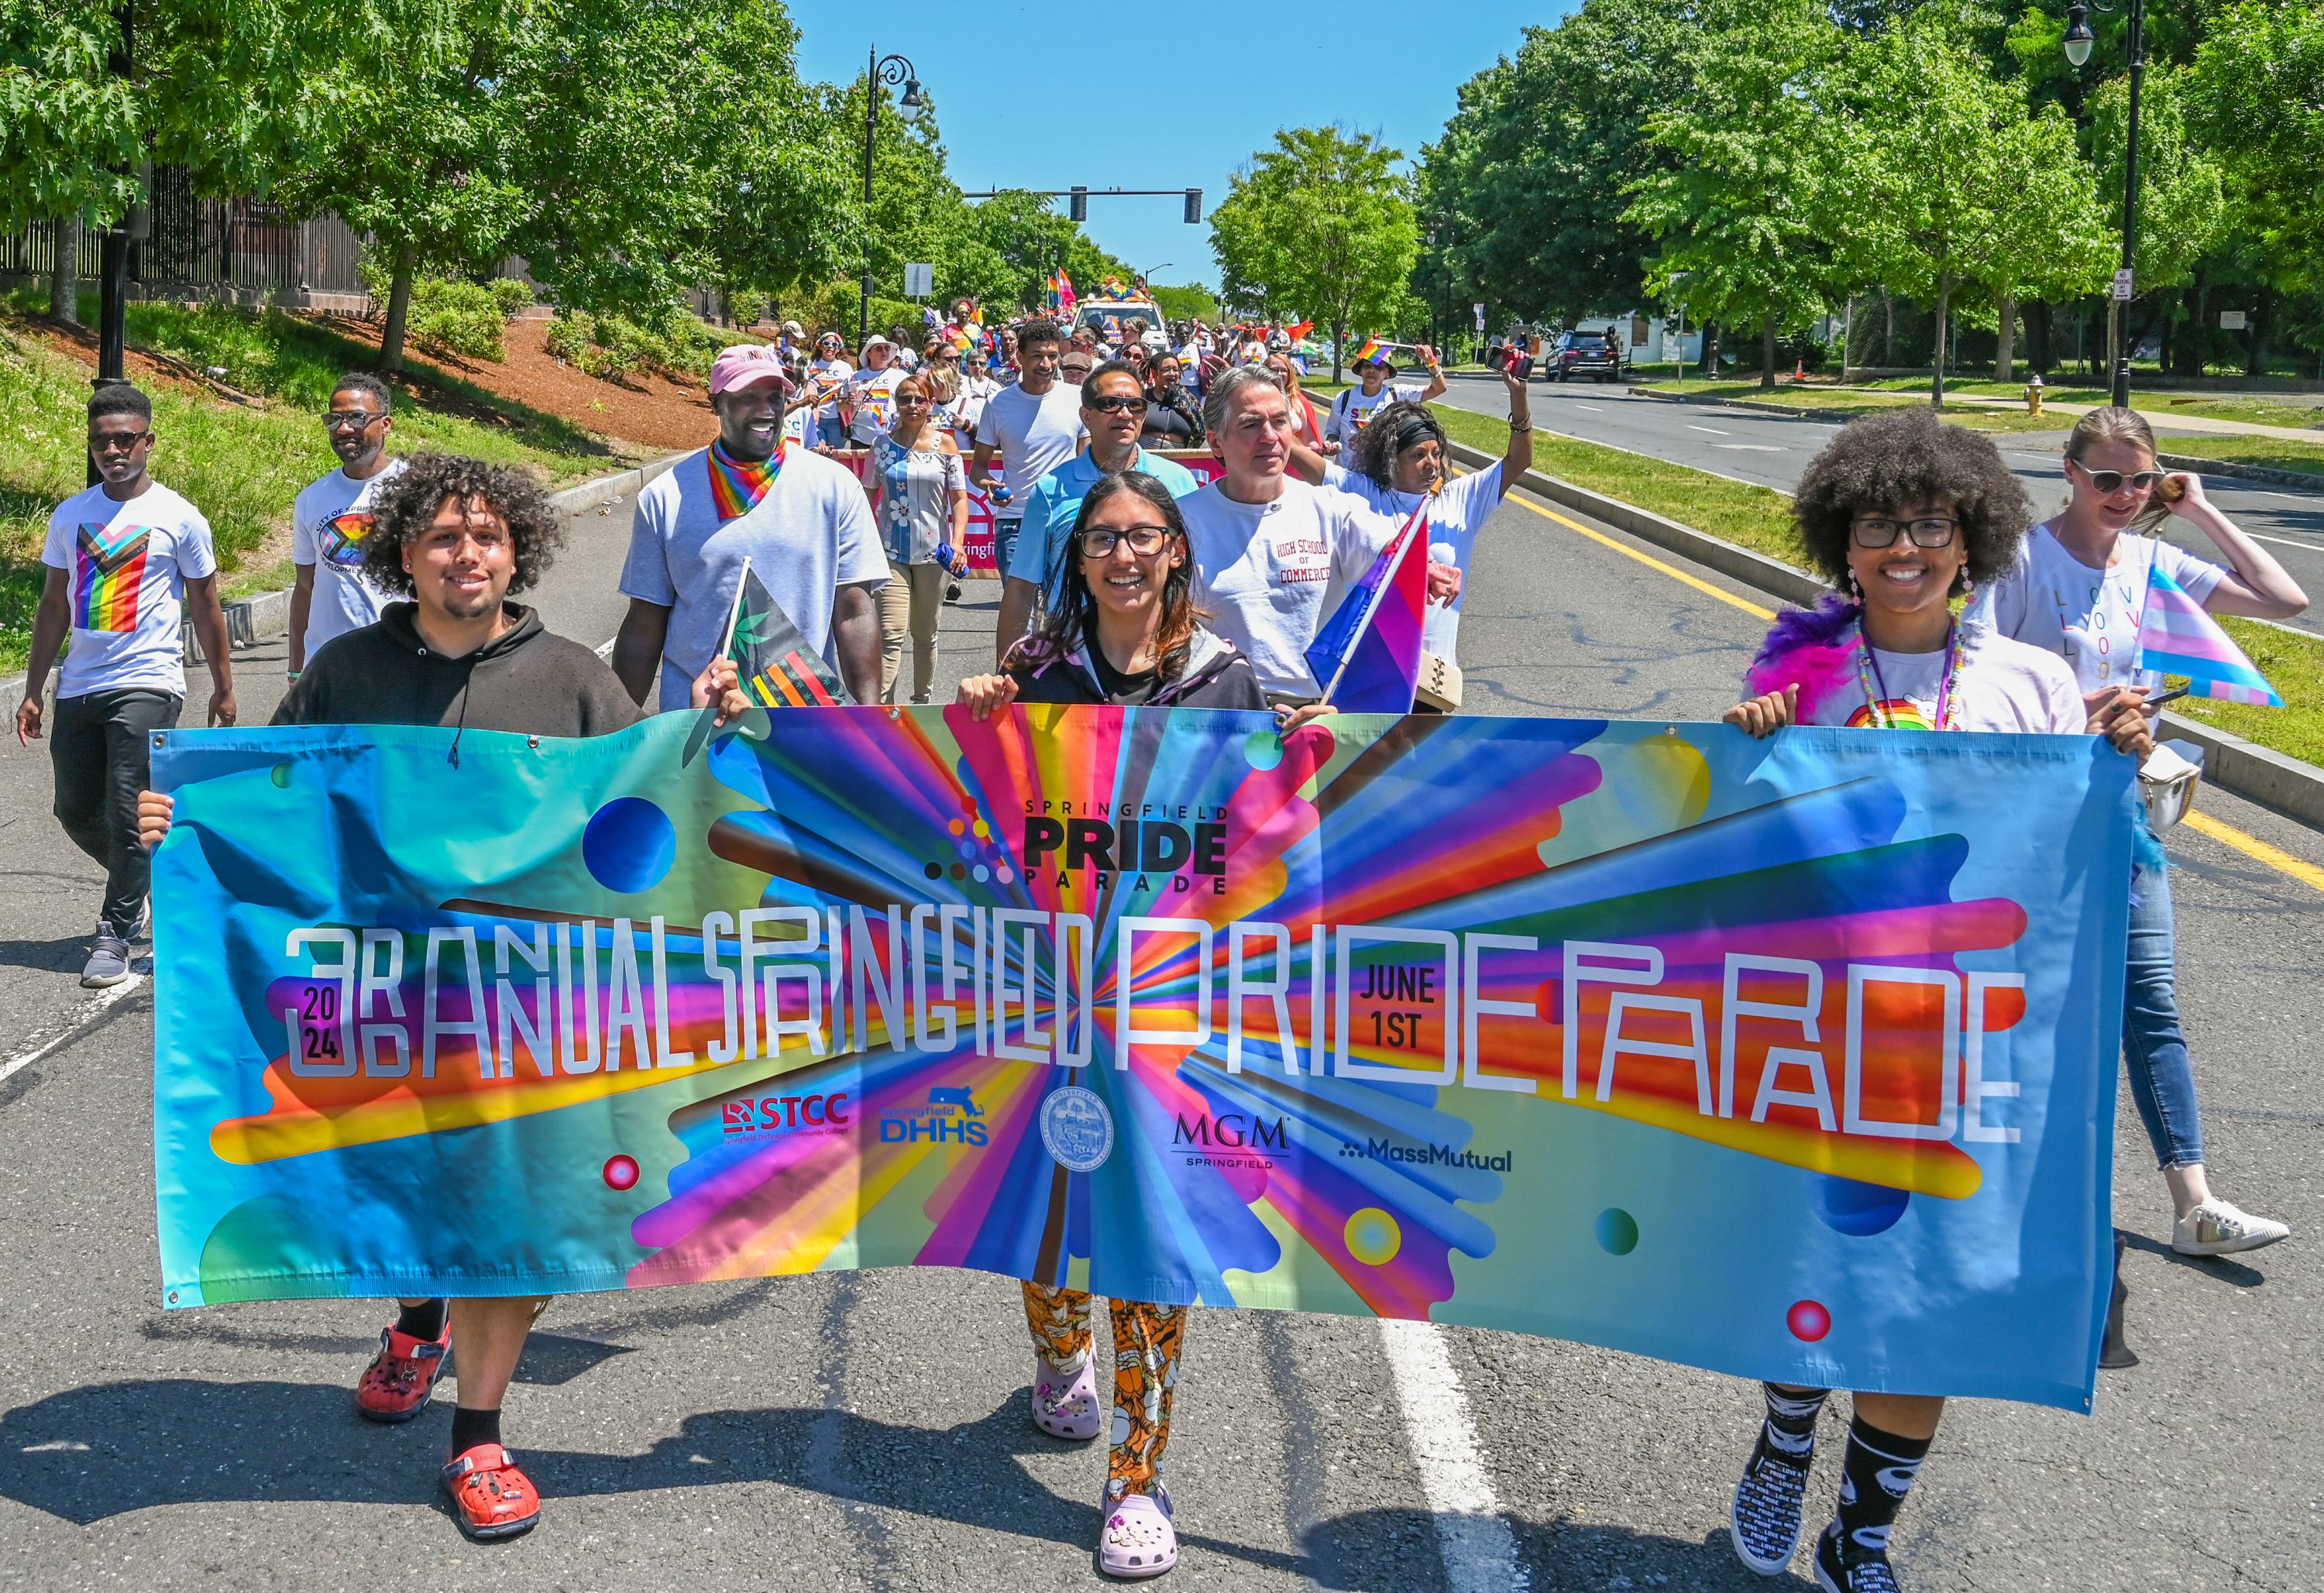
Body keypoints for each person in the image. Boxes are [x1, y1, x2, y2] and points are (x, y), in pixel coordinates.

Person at [139, 452, 748, 1543]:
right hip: (382, 1003)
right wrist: (181, 820)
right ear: (405, 556)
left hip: (528, 1012)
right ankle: (420, 1317)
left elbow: (648, 802)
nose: (468, 555)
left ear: (519, 549)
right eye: (443, 538)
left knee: (506, 1214)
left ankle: (477, 1434)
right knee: (409, 1177)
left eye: (488, 537)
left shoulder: (569, 676)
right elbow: (266, 793)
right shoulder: (346, 673)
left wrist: (706, 732)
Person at [1722, 408, 2150, 1593]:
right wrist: (1745, 743)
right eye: (1877, 527)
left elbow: (2093, 862)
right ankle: (1787, 1430)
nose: (1903, 548)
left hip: (1972, 1047)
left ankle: (1861, 1531)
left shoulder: (2033, 682)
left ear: (1972, 542)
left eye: (1929, 525)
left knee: (1932, 1295)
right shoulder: (1797, 674)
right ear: (1841, 545)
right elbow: (1739, 848)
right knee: (1816, 1262)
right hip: (1818, 1034)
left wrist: (2121, 758)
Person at [955, 472, 1267, 1580]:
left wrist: (1329, 747)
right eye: (1102, 540)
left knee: (1150, 1230)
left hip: (1173, 1007)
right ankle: (1058, 1359)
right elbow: (969, 808)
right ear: (1076, 558)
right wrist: (978, 726)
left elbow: (1270, 838)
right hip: (1041, 992)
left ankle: (1138, 1474)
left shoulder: (1228, 683)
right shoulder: (1038, 673)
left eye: (1144, 538)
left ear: (1178, 551)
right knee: (1049, 1202)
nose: (1123, 556)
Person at [1975, 406, 2309, 1257]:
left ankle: (2194, 1203)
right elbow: (1967, 688)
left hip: (2123, 810)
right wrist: (2070, 714)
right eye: (2106, 478)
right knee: (2021, 1000)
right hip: (2032, 813)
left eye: (2140, 479)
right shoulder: (2020, 559)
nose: (2124, 495)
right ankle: (1991, 1185)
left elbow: (2285, 597)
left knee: (2150, 1001)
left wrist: (2197, 507)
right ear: (2070, 472)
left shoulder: (2157, 562)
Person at [15, 383, 235, 987]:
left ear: (148, 441)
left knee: (125, 806)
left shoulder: (179, 516)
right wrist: (35, 687)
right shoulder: (71, 514)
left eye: (124, 438)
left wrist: (223, 685)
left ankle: (113, 931)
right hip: (80, 682)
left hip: (150, 681)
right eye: (101, 440)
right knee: (74, 807)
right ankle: (161, 883)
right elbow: (54, 605)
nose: (113, 449)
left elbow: (208, 606)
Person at [614, 345, 885, 710]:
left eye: (775, 397)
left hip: (803, 715)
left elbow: (854, 614)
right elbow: (644, 626)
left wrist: (872, 721)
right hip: (696, 722)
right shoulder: (664, 498)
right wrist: (615, 734)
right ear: (716, 404)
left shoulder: (836, 487)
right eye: (747, 398)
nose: (765, 410)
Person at [1177, 366, 1425, 718]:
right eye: (1251, 425)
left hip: (1317, 716)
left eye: (1280, 422)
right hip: (1220, 718)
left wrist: (1426, 570)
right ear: (1216, 440)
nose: (1270, 436)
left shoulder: (1332, 509)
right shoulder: (1179, 522)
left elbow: (1397, 562)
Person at [1285, 361, 1533, 674]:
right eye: (1417, 456)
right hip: (1366, 670)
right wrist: (1273, 413)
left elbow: (1519, 460)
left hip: (1433, 678)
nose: (1432, 464)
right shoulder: (1364, 493)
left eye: (1435, 452)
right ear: (1391, 459)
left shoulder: (1458, 500)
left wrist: (1519, 396)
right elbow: (1309, 464)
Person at [996, 359, 1202, 661]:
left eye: (1135, 405)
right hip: (1071, 656)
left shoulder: (1179, 481)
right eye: (1110, 404)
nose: (1124, 414)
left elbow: (1197, 577)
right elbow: (1022, 587)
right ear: (1086, 416)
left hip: (1160, 654)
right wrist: (1007, 671)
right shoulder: (1051, 489)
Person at [290, 372, 407, 681]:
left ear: (385, 424)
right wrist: (295, 666)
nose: (343, 429)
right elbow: (305, 587)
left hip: (402, 661)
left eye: (356, 418)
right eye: (333, 419)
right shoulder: (311, 499)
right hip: (327, 667)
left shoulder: (416, 491)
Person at [871, 369, 969, 704]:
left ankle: (921, 703)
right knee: (891, 635)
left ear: (931, 403)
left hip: (933, 554)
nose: (912, 405)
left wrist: (957, 544)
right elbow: (868, 495)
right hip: (890, 553)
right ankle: (882, 710)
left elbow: (958, 499)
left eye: (920, 399)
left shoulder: (947, 445)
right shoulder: (881, 446)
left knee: (925, 633)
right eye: (905, 399)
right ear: (896, 404)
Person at [971, 319, 1088, 585]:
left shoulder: (1077, 398)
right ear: (1020, 357)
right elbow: (979, 467)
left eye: (1052, 356)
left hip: (1066, 518)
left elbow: (1086, 461)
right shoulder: (997, 403)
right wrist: (988, 484)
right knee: (1022, 617)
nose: (1046, 364)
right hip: (1015, 523)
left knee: (1063, 615)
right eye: (1037, 356)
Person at [1325, 344, 1447, 466]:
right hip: (1346, 478)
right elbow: (1333, 434)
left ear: (1387, 373)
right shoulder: (1343, 398)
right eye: (1367, 365)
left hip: (1382, 480)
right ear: (1361, 371)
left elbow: (1439, 388)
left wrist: (1431, 362)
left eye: (1378, 366)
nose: (1372, 370)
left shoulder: (1398, 395)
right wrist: (1331, 444)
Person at [844, 334, 908, 446]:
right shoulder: (855, 376)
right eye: (879, 348)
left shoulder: (901, 377)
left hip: (890, 438)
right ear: (869, 354)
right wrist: (847, 401)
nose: (884, 351)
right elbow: (840, 407)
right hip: (859, 439)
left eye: (887, 348)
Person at [1263, 352, 1326, 453]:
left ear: (1289, 374)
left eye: (1284, 370)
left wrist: (1318, 450)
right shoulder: (1256, 400)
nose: (1279, 374)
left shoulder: (1298, 402)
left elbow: (1310, 440)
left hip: (1294, 463)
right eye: (1274, 370)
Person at [1140, 352, 1203, 450]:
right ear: (1154, 372)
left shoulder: (1189, 401)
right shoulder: (1142, 398)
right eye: (1166, 370)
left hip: (1179, 459)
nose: (1172, 374)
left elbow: (1201, 431)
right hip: (1146, 456)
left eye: (1176, 370)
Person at [805, 332, 854, 450]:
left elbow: (851, 391)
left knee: (836, 454)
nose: (830, 347)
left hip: (836, 420)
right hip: (815, 418)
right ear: (821, 346)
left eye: (834, 344)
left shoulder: (845, 368)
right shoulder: (810, 364)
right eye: (826, 343)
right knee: (816, 453)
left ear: (838, 349)